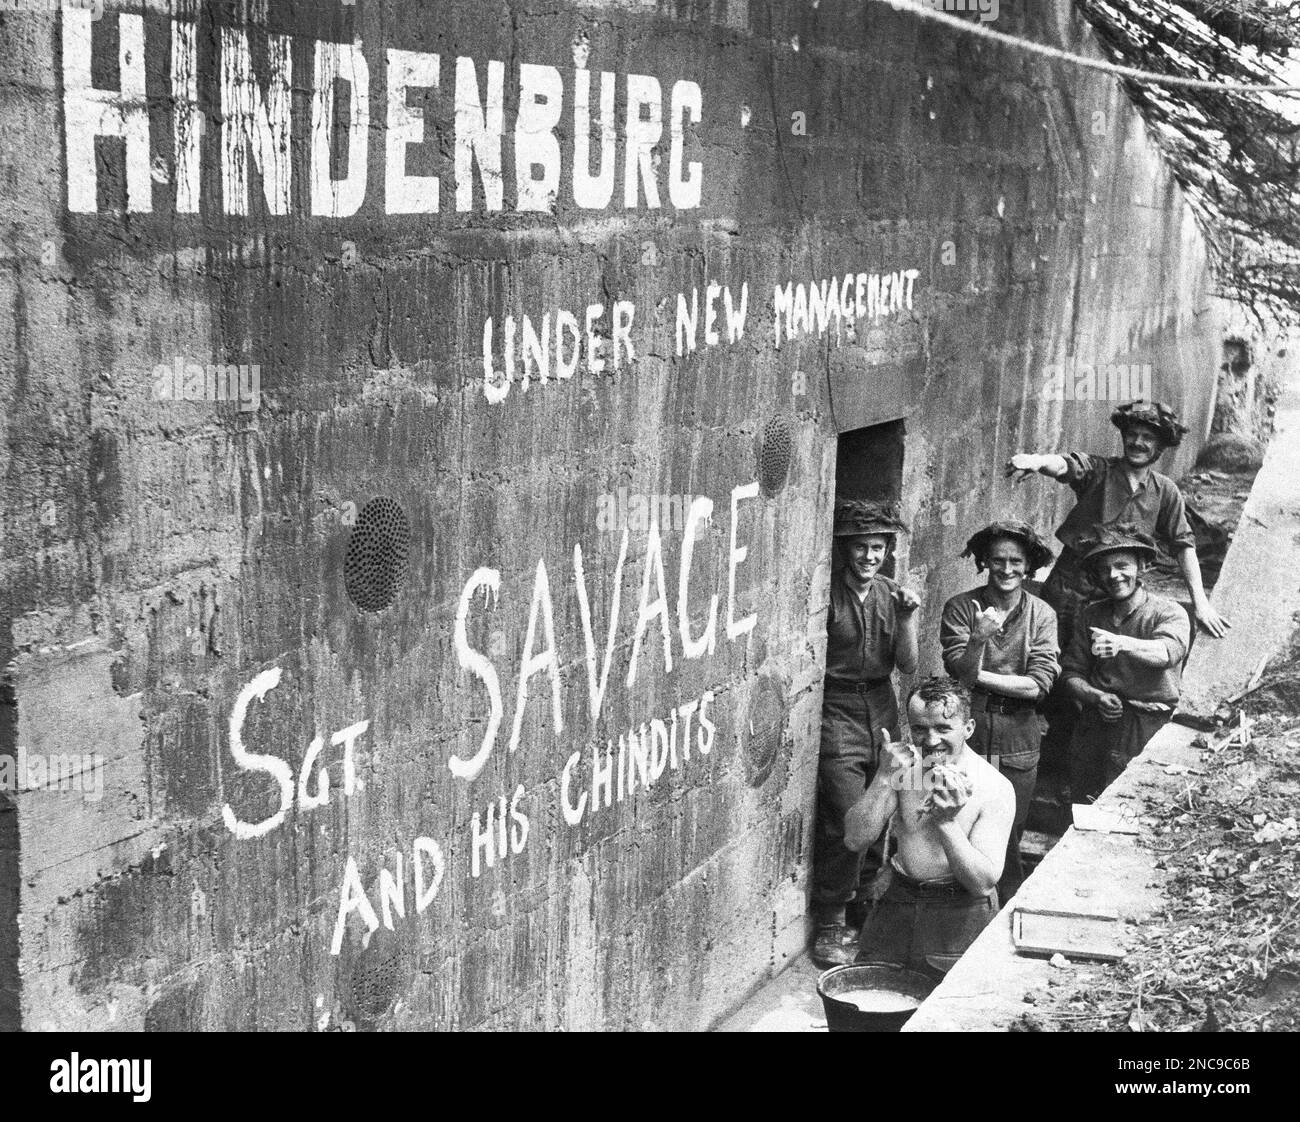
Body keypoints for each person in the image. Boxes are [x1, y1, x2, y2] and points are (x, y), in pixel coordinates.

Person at [1004, 399, 1229, 642]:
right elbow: (1066, 465)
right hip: (1069, 585)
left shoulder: (1165, 491)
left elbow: (1183, 545)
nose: (1138, 443)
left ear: (1161, 445)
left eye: (1148, 437)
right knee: (1049, 651)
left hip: (1118, 590)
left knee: (1103, 661)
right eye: (1132, 434)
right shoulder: (1099, 471)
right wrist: (1037, 461)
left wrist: (1201, 604)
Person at [811, 499, 921, 968]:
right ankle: (832, 915)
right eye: (861, 547)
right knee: (847, 810)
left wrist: (908, 618)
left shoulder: (893, 594)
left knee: (887, 800)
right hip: (836, 704)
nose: (869, 557)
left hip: (881, 701)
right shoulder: (827, 594)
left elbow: (909, 665)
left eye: (878, 547)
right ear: (845, 551)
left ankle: (865, 901)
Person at [844, 677, 1015, 976]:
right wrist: (884, 776)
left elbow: (982, 883)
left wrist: (946, 822)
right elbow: (854, 839)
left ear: (969, 728)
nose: (931, 740)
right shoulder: (904, 770)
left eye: (943, 728)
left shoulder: (994, 786)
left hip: (960, 913)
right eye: (920, 728)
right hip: (898, 902)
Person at [940, 521, 1060, 901]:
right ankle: (963, 907)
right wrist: (977, 638)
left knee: (1009, 830)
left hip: (1018, 733)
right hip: (969, 729)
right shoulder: (962, 607)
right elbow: (959, 670)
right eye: (997, 561)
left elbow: (1037, 685)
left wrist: (976, 677)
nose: (1006, 570)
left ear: (1029, 566)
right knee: (960, 817)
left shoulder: (1042, 614)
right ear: (984, 563)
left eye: (1016, 561)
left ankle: (1003, 906)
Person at [1060, 524, 1191, 802]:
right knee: (1083, 801)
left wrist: (1122, 643)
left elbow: (1167, 653)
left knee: (1130, 806)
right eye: (1104, 569)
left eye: (1122, 566)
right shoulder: (1092, 614)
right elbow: (1071, 673)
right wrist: (1096, 696)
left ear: (1142, 566)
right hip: (1098, 724)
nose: (1113, 576)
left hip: (1147, 727)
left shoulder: (1168, 612)